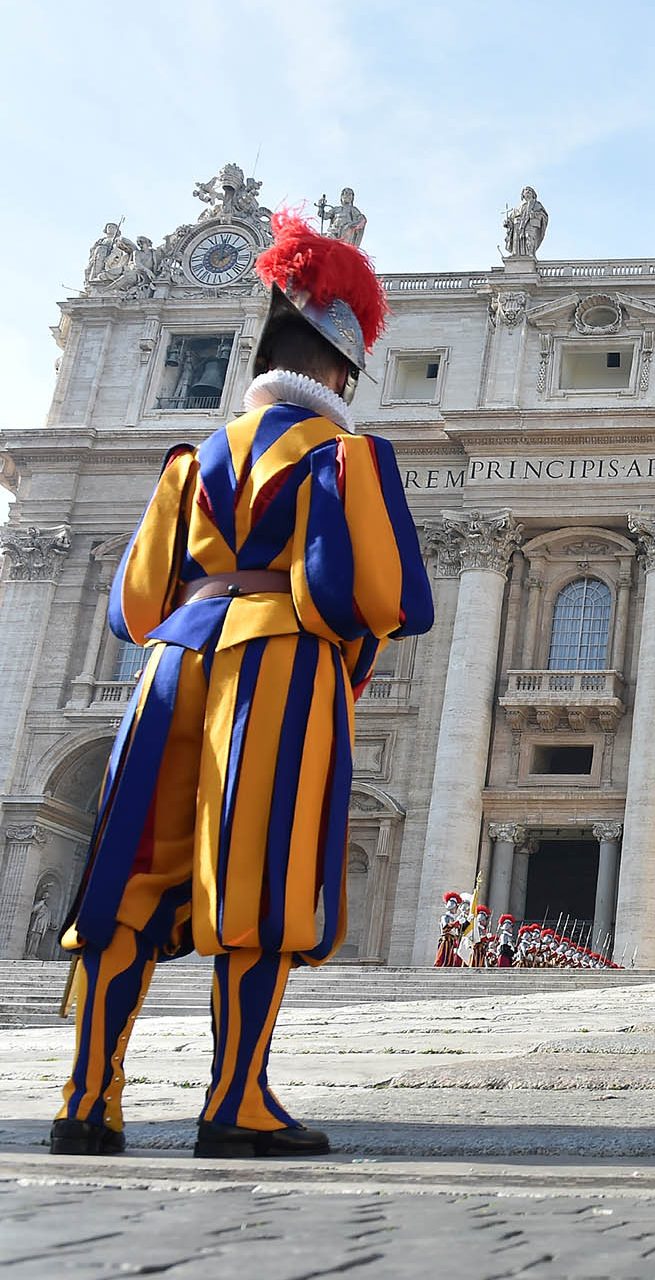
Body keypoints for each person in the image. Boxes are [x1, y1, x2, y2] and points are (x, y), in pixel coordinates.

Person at [49, 212, 432, 1159]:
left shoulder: (191, 461)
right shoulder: (345, 455)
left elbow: (133, 604)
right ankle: (236, 1101)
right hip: (282, 662)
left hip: (171, 663)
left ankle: (86, 1101)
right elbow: (375, 596)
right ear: (340, 371)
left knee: (128, 878)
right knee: (262, 877)